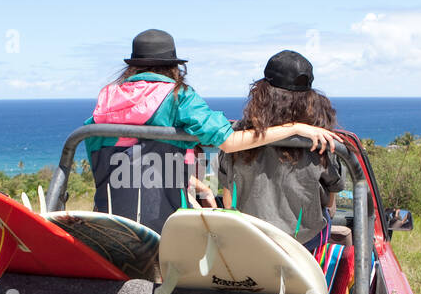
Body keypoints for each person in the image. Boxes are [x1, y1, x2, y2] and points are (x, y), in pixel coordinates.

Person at [84, 30, 337, 233]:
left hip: (110, 218)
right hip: (163, 220)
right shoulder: (177, 96)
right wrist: (293, 128)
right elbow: (227, 141)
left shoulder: (107, 98)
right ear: (174, 68)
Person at [216, 50, 344, 253]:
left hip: (250, 239)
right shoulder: (318, 139)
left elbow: (228, 199)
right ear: (310, 98)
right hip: (303, 244)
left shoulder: (239, 136)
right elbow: (330, 201)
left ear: (262, 92)